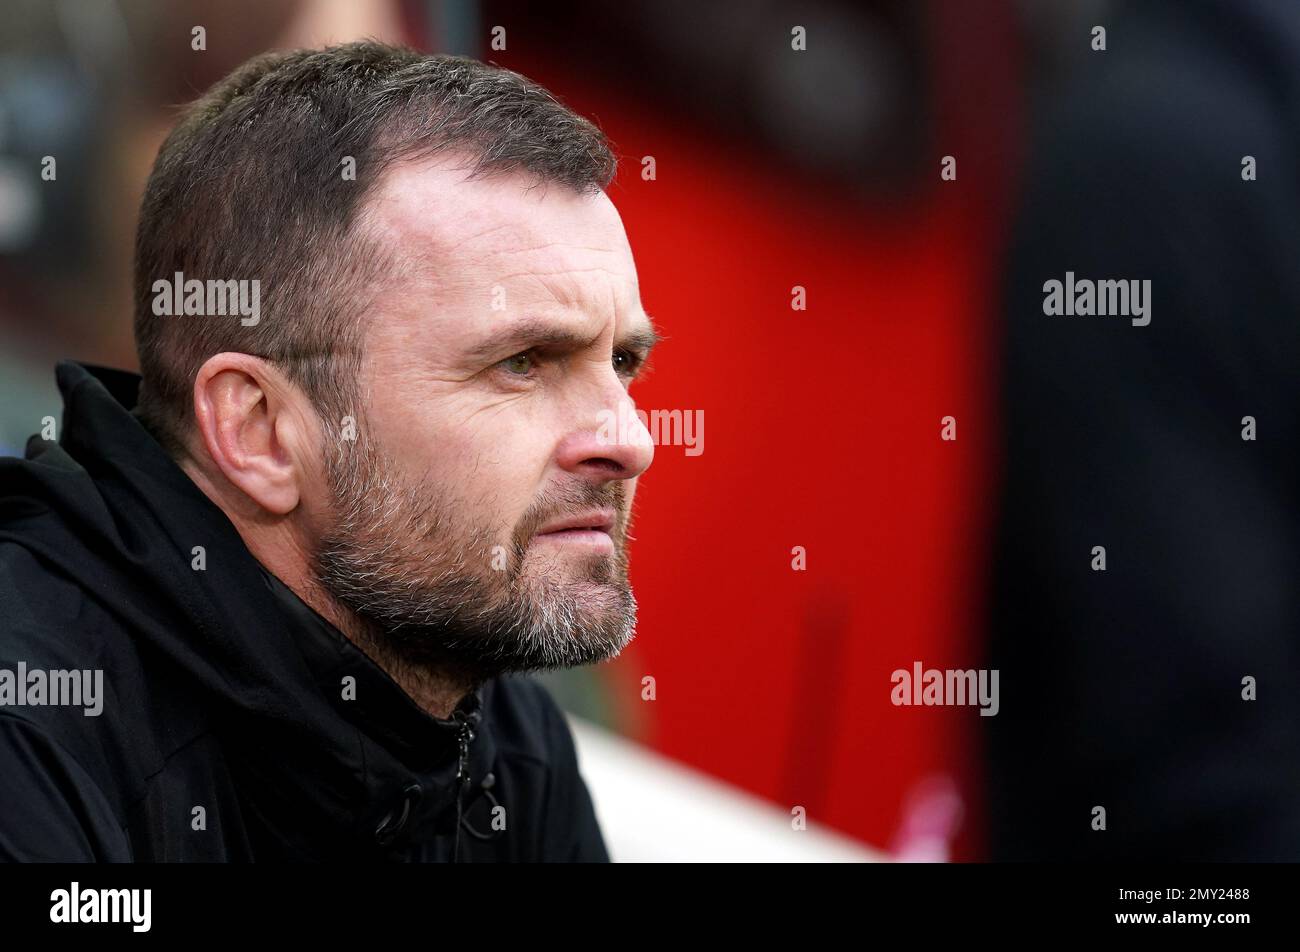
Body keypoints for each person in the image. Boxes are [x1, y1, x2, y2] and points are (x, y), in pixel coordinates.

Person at [0, 41, 660, 862]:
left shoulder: (507, 746)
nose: (630, 442)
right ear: (261, 431)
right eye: (522, 363)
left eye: (622, 362)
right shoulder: (33, 728)